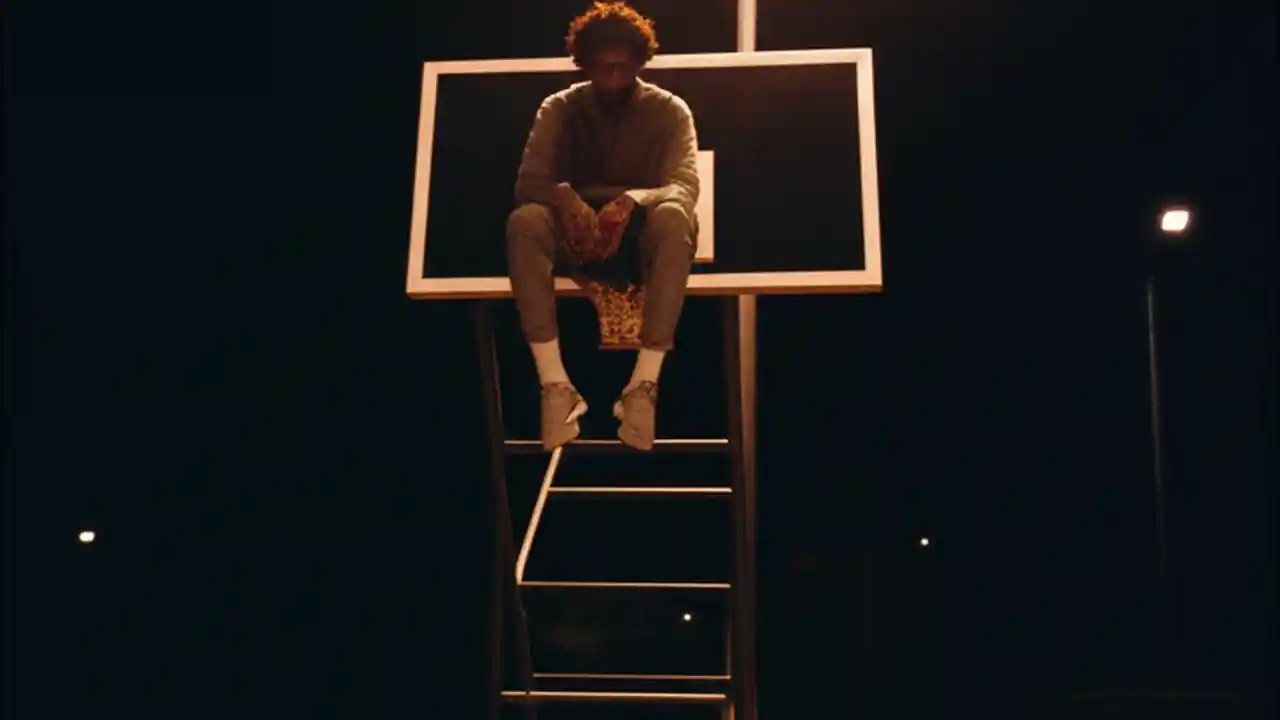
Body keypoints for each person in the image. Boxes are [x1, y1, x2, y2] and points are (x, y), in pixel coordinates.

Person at [506, 1, 699, 451]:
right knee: (525, 220)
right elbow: (529, 181)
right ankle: (555, 387)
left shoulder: (670, 110)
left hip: (639, 241)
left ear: (639, 58)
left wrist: (633, 199)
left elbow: (685, 184)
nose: (613, 68)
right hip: (574, 239)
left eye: (622, 59)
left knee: (674, 216)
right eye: (602, 60)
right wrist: (563, 196)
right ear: (585, 60)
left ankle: (643, 387)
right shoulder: (558, 107)